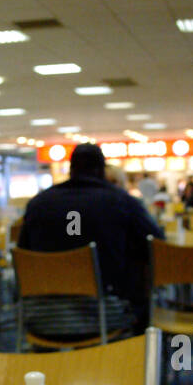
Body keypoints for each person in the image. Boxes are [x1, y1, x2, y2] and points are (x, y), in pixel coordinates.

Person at [16, 143, 163, 341]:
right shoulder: (122, 201)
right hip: (105, 317)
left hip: (42, 317)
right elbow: (157, 246)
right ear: (102, 170)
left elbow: (23, 253)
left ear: (71, 169)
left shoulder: (38, 204)